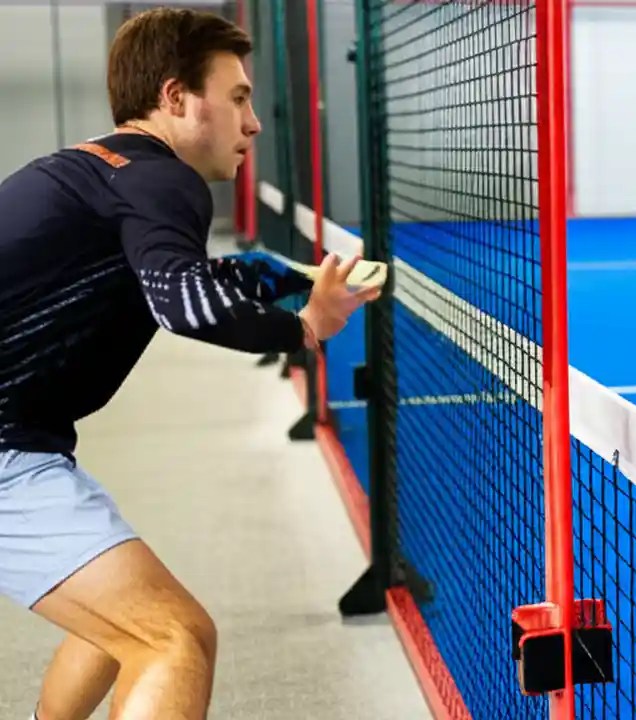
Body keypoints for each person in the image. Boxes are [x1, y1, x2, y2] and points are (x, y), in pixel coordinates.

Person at [0, 8, 378, 719]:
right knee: (174, 637)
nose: (254, 122)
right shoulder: (163, 183)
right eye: (237, 97)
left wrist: (277, 280)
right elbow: (183, 302)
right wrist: (304, 326)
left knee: (116, 630)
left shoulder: (101, 172)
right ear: (175, 99)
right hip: (5, 451)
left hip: (21, 441)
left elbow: (169, 280)